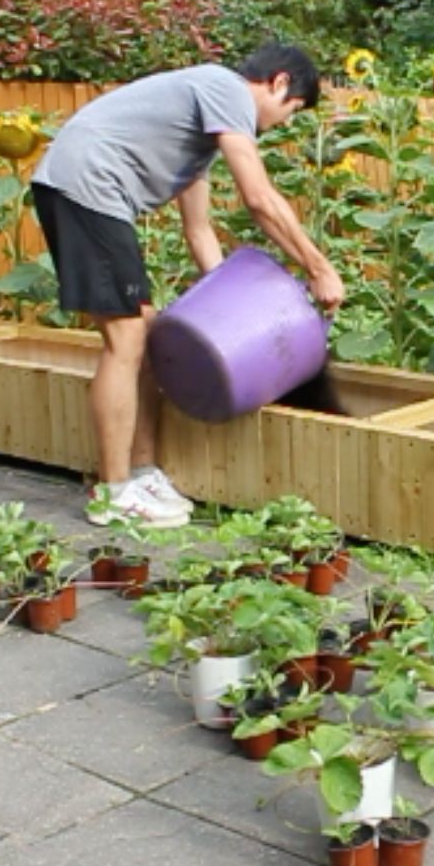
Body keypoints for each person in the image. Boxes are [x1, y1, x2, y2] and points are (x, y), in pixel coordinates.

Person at [31, 43, 345, 528]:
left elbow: (198, 231)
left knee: (148, 335)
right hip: (86, 185)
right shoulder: (226, 90)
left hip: (90, 191)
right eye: (293, 110)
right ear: (278, 83)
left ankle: (142, 472)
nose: (284, 123)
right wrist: (318, 267)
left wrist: (228, 307)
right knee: (126, 337)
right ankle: (113, 492)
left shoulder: (198, 139)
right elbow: (259, 198)